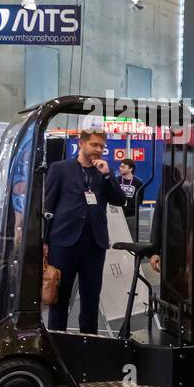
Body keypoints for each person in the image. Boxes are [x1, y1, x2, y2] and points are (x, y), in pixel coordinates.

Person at [43, 129, 128, 333]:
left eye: (101, 146)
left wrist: (108, 175)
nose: (98, 150)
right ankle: (56, 342)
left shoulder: (103, 173)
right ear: (81, 144)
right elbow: (48, 206)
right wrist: (44, 241)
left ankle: (89, 343)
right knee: (59, 298)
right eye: (94, 145)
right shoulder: (60, 169)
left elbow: (120, 200)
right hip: (63, 242)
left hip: (94, 244)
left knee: (91, 298)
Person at [116, 159, 145, 240]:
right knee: (117, 238)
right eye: (120, 166)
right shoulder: (116, 180)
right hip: (117, 215)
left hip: (131, 216)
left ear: (130, 169)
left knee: (132, 238)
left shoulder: (138, 182)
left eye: (123, 167)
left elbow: (140, 199)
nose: (120, 168)